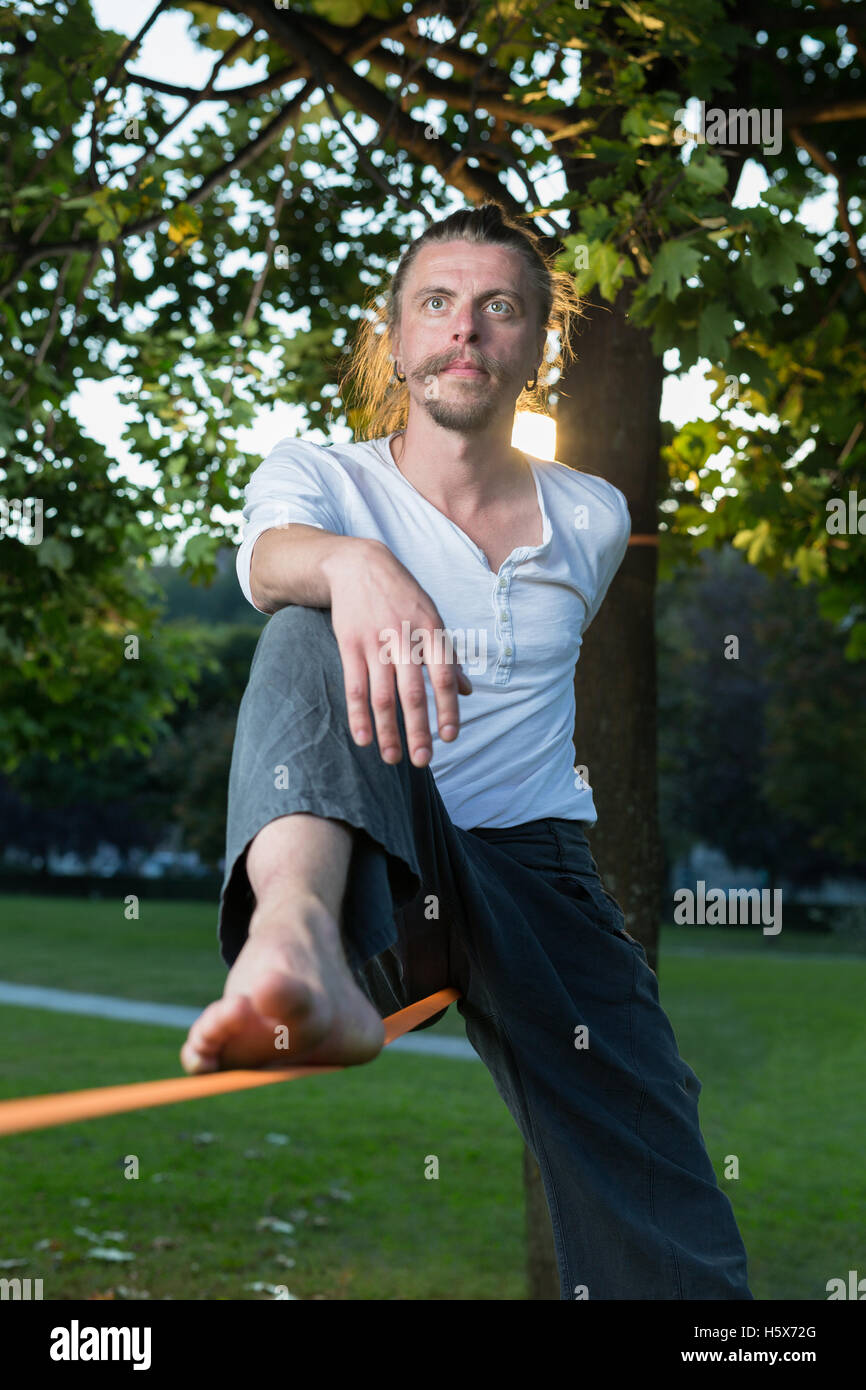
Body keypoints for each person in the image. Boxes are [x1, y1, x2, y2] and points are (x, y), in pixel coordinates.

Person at [180, 202, 754, 1301]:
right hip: (381, 861)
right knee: (303, 623)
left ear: (536, 345)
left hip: (538, 869)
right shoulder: (322, 477)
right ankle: (297, 948)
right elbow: (266, 561)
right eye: (437, 304)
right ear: (395, 337)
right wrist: (354, 564)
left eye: (500, 310)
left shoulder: (587, 516)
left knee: (653, 1148)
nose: (466, 332)